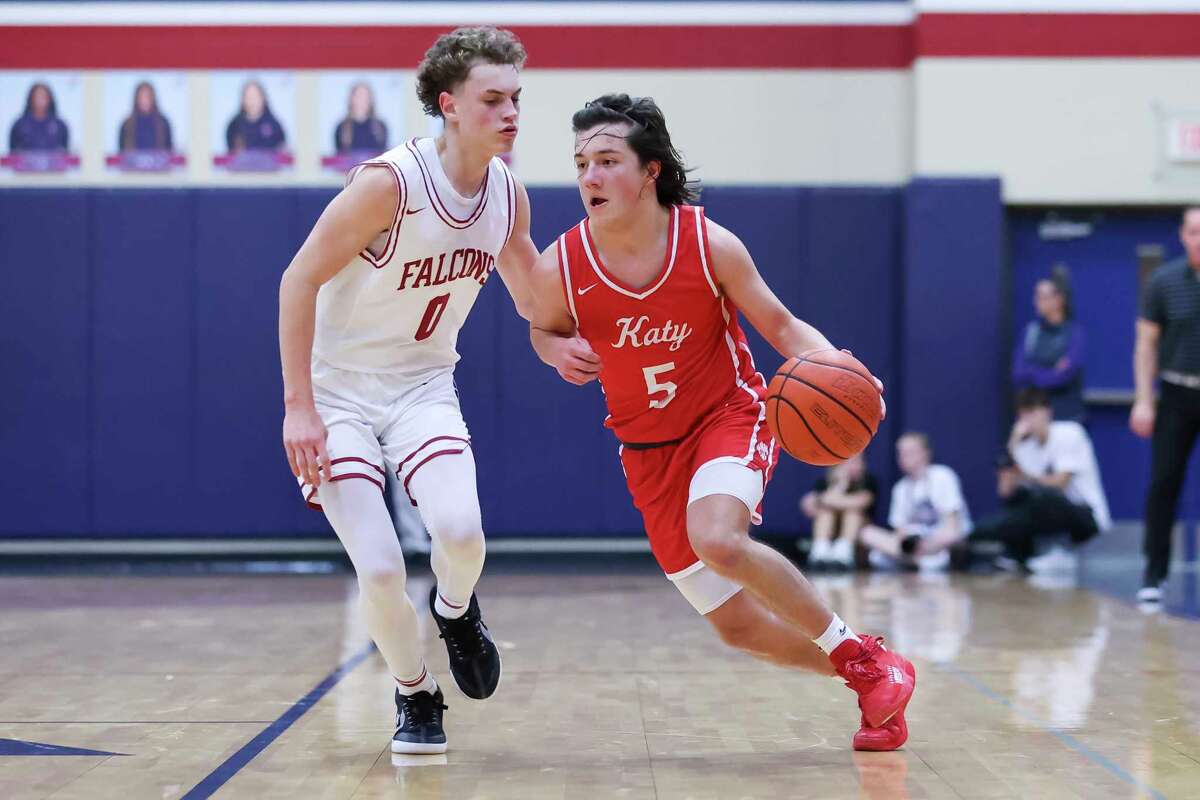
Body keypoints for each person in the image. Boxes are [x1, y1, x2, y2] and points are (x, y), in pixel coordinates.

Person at [526, 93, 915, 752]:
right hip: (646, 449)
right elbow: (543, 329)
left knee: (718, 538)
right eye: (582, 163)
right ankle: (873, 675)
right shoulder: (560, 264)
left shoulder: (707, 243)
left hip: (728, 416)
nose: (590, 176)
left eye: (607, 160)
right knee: (736, 627)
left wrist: (845, 368)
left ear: (650, 171)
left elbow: (783, 326)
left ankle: (867, 663)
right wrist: (557, 351)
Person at [278, 27, 536, 754]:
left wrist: (565, 338)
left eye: (516, 97)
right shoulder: (388, 185)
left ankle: (455, 612)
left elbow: (533, 293)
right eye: (493, 99)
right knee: (383, 566)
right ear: (450, 105)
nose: (511, 112)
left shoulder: (507, 194)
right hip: (338, 394)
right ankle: (416, 692)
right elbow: (297, 279)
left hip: (423, 383)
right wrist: (300, 406)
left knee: (460, 532)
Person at [1131, 205, 1200, 604]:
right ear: (1182, 235)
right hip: (1175, 394)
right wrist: (1143, 399)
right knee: (1163, 484)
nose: (1199, 239)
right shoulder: (1163, 281)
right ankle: (1154, 574)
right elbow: (1146, 344)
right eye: (1193, 232)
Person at [973, 389, 1108, 571]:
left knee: (1043, 497)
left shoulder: (1069, 433)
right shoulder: (1024, 447)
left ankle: (1060, 550)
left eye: (1033, 413)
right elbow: (1005, 492)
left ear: (1047, 412)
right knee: (995, 521)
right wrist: (1012, 446)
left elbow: (1060, 484)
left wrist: (1024, 476)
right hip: (1042, 515)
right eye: (1024, 416)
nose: (1029, 421)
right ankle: (1020, 555)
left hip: (1084, 515)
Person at [859, 433, 971, 571]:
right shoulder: (900, 488)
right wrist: (907, 542)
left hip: (938, 544)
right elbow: (900, 531)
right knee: (868, 534)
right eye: (901, 453)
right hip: (911, 547)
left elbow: (953, 529)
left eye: (910, 452)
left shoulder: (943, 476)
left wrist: (927, 546)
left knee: (950, 539)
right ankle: (917, 561)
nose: (903, 457)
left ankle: (914, 561)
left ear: (926, 453)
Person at [1012, 266, 1086, 422]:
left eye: (1042, 297)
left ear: (1059, 300)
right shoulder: (1030, 332)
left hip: (1067, 418)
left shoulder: (1074, 333)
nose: (1036, 302)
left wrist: (1033, 372)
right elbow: (1018, 373)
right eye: (1036, 296)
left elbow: (1064, 376)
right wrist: (1050, 370)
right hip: (1033, 419)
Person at [801, 454, 876, 570]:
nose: (857, 466)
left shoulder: (868, 481)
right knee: (826, 513)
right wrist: (840, 486)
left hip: (858, 540)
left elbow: (861, 502)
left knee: (852, 513)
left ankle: (843, 553)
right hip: (831, 534)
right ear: (839, 465)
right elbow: (807, 507)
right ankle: (820, 552)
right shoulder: (825, 482)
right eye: (852, 462)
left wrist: (824, 499)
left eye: (859, 462)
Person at [226, 80, 286, 153]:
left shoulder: (274, 125)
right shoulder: (234, 126)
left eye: (255, 96)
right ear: (242, 100)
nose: (252, 101)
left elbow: (281, 150)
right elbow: (231, 154)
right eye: (249, 97)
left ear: (263, 98)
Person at [8, 82, 69, 153]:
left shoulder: (60, 126)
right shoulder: (19, 125)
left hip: (53, 164)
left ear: (50, 99)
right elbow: (12, 154)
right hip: (25, 164)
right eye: (37, 97)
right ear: (31, 99)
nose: (40, 101)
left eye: (43, 97)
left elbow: (65, 153)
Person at [334, 82, 388, 155]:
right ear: (351, 99)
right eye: (358, 96)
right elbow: (339, 158)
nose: (361, 100)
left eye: (365, 96)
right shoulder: (341, 128)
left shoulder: (380, 127)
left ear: (371, 100)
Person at [118, 81, 173, 152]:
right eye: (141, 97)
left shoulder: (163, 123)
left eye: (147, 96)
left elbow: (169, 152)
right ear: (136, 99)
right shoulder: (127, 125)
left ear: (153, 98)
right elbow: (122, 154)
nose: (144, 100)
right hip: (133, 163)